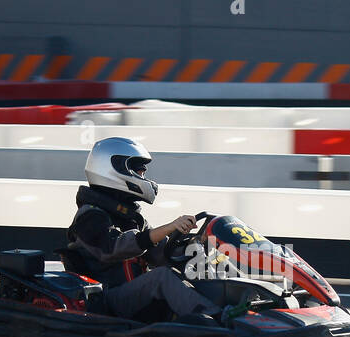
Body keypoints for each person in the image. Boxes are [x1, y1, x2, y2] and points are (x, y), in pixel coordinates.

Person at [65, 136, 229, 326]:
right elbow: (114, 248)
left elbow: (160, 253)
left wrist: (198, 246)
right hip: (107, 300)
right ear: (112, 169)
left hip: (132, 294)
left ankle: (241, 303)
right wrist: (169, 226)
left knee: (200, 260)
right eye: (138, 170)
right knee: (161, 277)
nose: (143, 175)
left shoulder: (131, 217)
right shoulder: (90, 215)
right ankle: (217, 320)